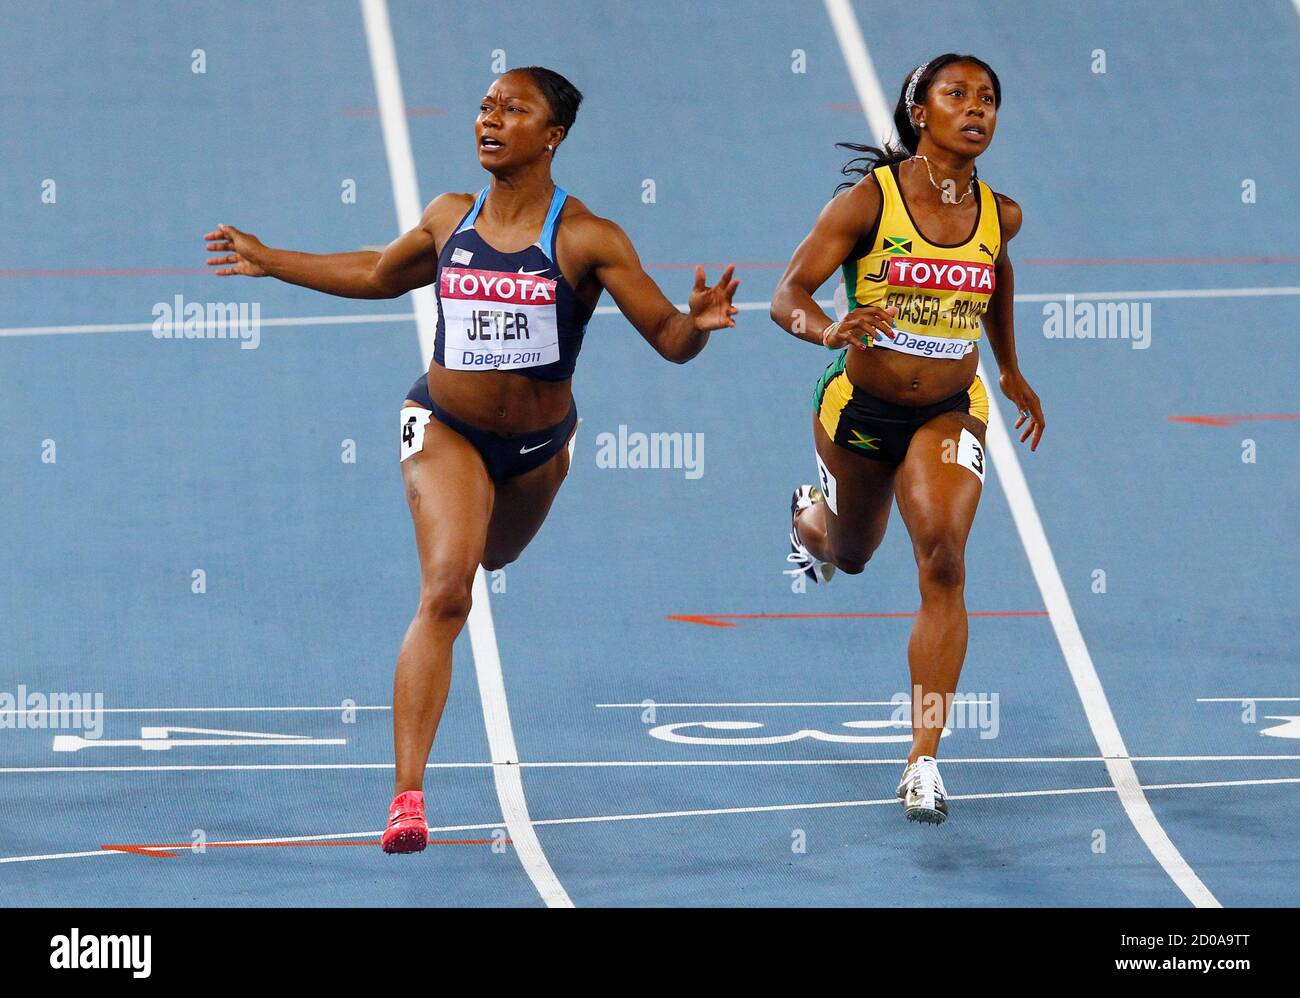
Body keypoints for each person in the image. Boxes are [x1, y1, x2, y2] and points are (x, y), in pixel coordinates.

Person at [204, 66, 739, 852]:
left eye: (513, 110)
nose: (490, 119)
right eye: (485, 106)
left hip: (538, 449)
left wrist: (696, 325)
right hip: (445, 424)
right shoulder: (451, 218)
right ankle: (407, 798)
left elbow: (668, 339)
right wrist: (270, 259)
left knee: (494, 557)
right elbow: (378, 274)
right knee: (448, 590)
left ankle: (488, 528)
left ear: (552, 135)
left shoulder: (588, 238)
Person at [769, 54, 1044, 825]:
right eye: (957, 94)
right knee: (851, 554)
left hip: (951, 408)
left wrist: (1013, 370)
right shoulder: (868, 203)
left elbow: (996, 276)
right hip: (858, 405)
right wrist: (828, 326)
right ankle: (806, 522)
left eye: (988, 97)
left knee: (944, 558)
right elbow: (783, 295)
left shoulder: (1001, 213)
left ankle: (923, 760)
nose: (976, 108)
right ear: (919, 112)